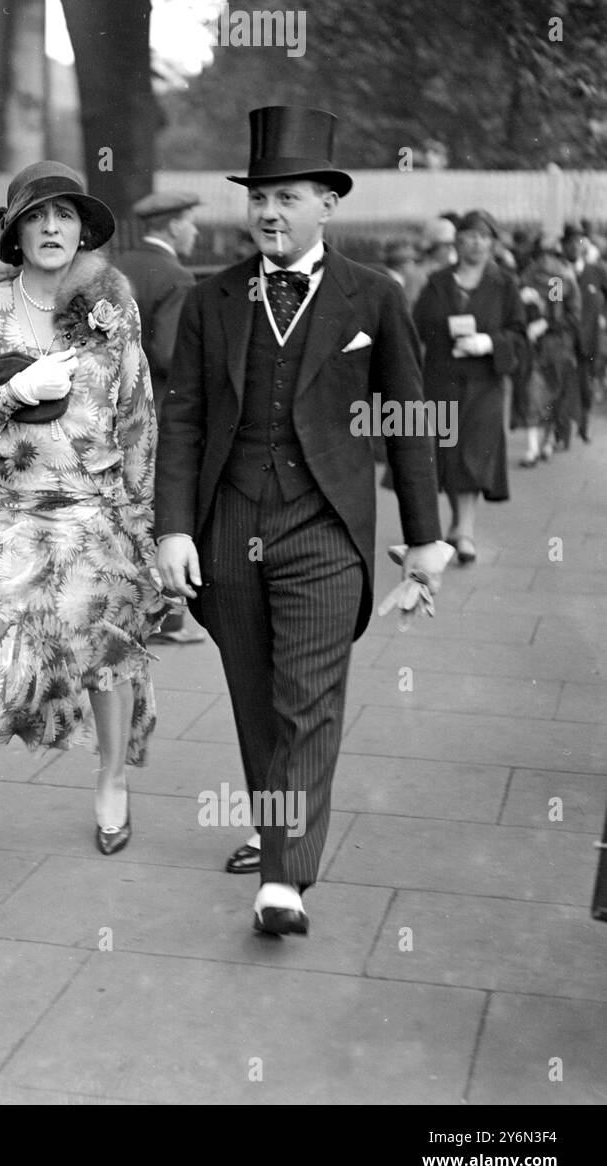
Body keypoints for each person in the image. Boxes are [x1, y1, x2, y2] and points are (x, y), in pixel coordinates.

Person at [155, 107, 449, 935]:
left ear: (327, 203)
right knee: (256, 699)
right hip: (229, 522)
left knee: (307, 699)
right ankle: (273, 823)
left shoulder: (375, 296)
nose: (269, 213)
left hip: (325, 528)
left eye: (287, 197)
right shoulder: (212, 298)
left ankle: (285, 877)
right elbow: (182, 417)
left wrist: (423, 542)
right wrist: (173, 528)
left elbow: (407, 417)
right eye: (259, 199)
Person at [0, 161, 167, 926]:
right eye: (36, 216)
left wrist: (145, 527)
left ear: (83, 229)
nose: (53, 228)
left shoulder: (108, 305)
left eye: (66, 216)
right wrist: (9, 394)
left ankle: (113, 779)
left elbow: (138, 416)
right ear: (15, 232)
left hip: (96, 512)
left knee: (105, 658)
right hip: (7, 513)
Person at [114, 189, 207, 646]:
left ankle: (119, 609)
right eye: (191, 221)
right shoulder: (174, 275)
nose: (196, 231)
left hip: (110, 411)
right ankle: (165, 619)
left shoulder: (116, 268)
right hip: (159, 411)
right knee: (156, 507)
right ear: (172, 225)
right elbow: (173, 354)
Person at [413, 209, 525, 563]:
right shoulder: (438, 283)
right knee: (448, 453)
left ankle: (465, 531)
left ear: (492, 244)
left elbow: (520, 336)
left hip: (484, 384)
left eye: (482, 238)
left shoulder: (505, 284)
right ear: (456, 244)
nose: (474, 244)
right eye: (467, 238)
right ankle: (457, 525)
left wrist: (490, 343)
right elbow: (417, 328)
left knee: (474, 453)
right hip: (442, 380)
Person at [516, 241, 580, 467]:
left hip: (555, 345)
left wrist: (545, 322)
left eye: (549, 254)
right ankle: (535, 447)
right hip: (537, 347)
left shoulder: (557, 279)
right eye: (541, 255)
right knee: (534, 393)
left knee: (551, 393)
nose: (545, 260)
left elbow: (567, 315)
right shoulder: (530, 277)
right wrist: (525, 305)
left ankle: (546, 442)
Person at [561, 224, 607, 444]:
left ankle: (584, 424)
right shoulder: (558, 273)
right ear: (563, 246)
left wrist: (603, 317)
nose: (574, 247)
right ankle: (562, 432)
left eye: (578, 242)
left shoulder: (596, 271)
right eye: (569, 243)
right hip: (565, 339)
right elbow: (554, 304)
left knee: (585, 385)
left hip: (590, 339)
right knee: (561, 385)